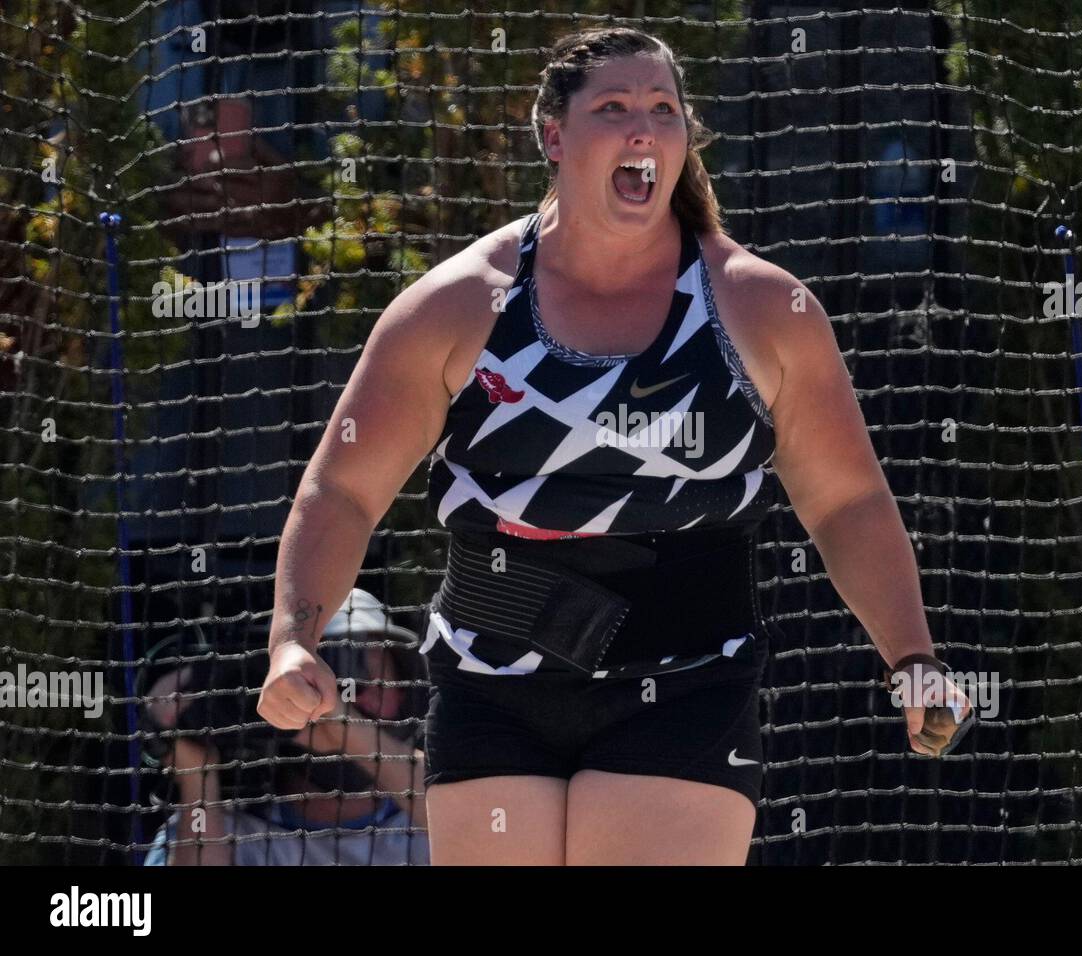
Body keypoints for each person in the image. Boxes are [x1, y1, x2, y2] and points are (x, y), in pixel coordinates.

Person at [257, 26, 972, 866]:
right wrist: (292, 638)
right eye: (614, 107)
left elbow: (846, 500)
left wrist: (911, 655)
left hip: (687, 680)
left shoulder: (759, 309)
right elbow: (340, 490)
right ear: (553, 136)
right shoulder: (456, 307)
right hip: (492, 683)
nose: (644, 128)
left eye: (663, 109)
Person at [144, 588, 429, 865]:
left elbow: (467, 815)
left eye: (365, 678)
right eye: (330, 682)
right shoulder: (219, 830)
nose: (343, 694)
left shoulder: (425, 826)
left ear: (403, 695)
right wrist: (197, 776)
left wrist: (343, 724)